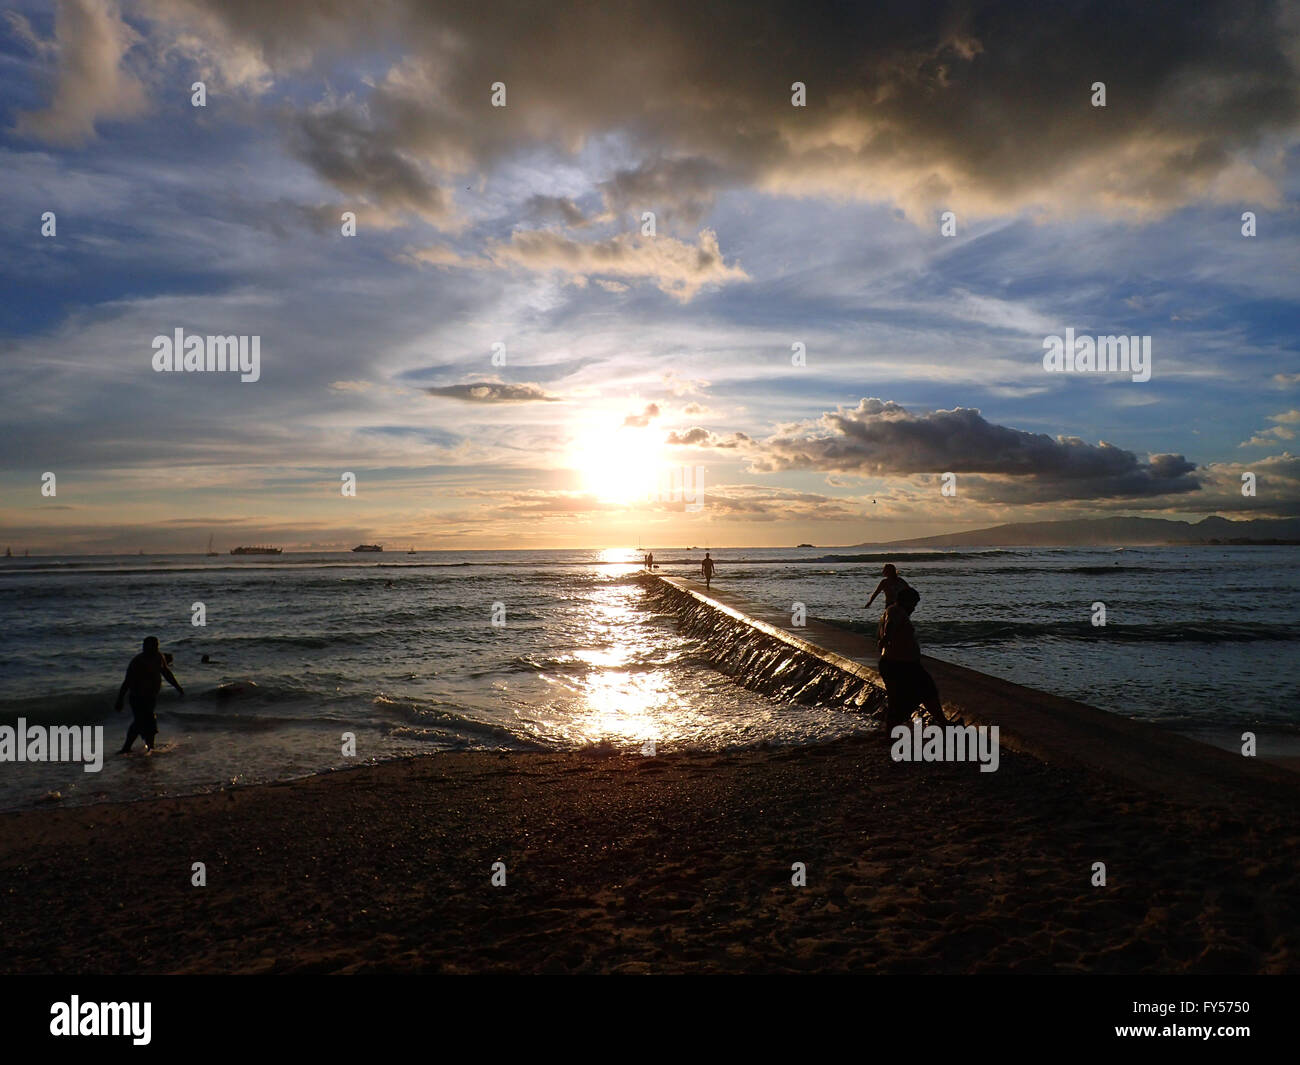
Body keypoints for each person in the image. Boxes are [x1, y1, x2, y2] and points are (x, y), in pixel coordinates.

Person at [876, 586, 947, 731]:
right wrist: (886, 639)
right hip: (899, 664)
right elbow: (890, 626)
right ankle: (891, 731)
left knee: (927, 690)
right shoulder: (895, 611)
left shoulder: (895, 611)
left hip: (904, 663)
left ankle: (943, 723)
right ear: (906, 601)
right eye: (913, 604)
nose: (914, 608)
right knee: (905, 697)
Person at [115, 636, 183, 753]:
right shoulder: (138, 661)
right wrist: (120, 699)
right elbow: (127, 682)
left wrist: (177, 687)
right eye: (152, 646)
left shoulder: (159, 657)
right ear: (145, 647)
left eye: (156, 646)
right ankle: (129, 748)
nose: (155, 649)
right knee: (143, 720)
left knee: (147, 721)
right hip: (137, 697)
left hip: (151, 697)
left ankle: (149, 747)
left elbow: (166, 673)